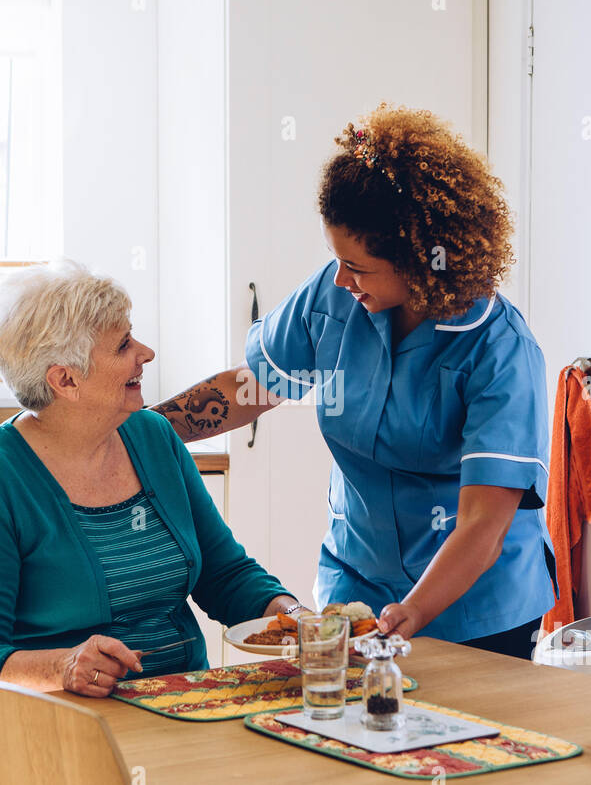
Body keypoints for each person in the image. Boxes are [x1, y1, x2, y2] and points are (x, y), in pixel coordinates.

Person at [153, 103, 558, 660]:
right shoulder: (336, 294)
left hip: (475, 610)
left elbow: (484, 524)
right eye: (335, 259)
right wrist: (141, 432)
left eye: (359, 267)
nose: (341, 278)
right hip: (358, 587)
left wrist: (412, 612)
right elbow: (251, 388)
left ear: (421, 261)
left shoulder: (500, 350)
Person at [0, 260, 308, 701]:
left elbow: (224, 575)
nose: (146, 353)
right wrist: (64, 666)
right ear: (66, 379)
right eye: (123, 345)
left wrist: (296, 617)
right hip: (63, 724)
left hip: (183, 704)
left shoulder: (153, 437)